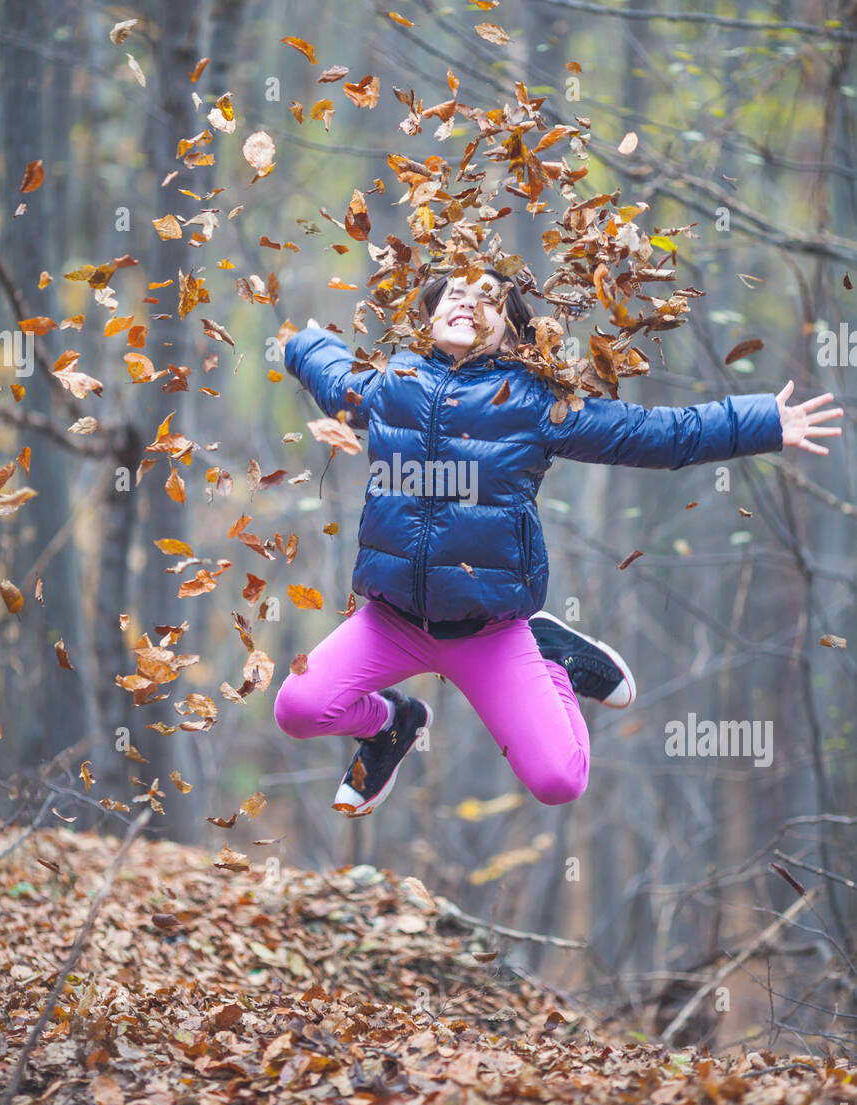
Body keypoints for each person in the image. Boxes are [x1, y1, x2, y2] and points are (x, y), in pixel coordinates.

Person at [274, 267, 842, 817]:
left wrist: (762, 421)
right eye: (454, 293)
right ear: (427, 316)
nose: (468, 302)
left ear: (514, 331)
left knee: (559, 780)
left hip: (488, 632)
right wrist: (300, 341)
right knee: (298, 710)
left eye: (489, 297)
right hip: (390, 621)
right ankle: (392, 725)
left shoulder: (534, 403)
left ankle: (556, 661)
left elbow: (652, 434)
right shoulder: (390, 386)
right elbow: (334, 379)